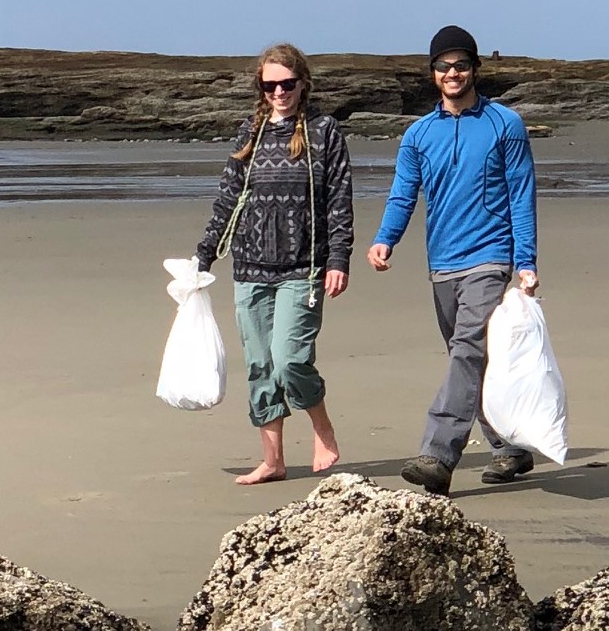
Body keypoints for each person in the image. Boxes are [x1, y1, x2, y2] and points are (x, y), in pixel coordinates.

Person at [367, 24, 538, 496]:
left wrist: (526, 261)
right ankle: (510, 446)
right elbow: (404, 194)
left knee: (468, 350)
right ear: (433, 73)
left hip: (490, 257)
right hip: (442, 263)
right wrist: (386, 239)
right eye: (444, 66)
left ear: (475, 69)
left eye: (461, 64)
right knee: (470, 359)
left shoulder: (505, 124)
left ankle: (438, 455)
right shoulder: (419, 134)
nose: (453, 72)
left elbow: (522, 196)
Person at [196, 43, 353, 484]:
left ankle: (322, 429)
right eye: (270, 86)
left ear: (303, 84)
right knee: (260, 366)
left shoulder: (324, 132)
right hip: (250, 267)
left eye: (286, 84)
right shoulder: (250, 132)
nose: (279, 92)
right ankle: (273, 460)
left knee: (290, 360)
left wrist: (338, 258)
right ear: (261, 89)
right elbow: (227, 198)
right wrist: (204, 253)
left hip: (302, 269)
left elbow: (339, 200)